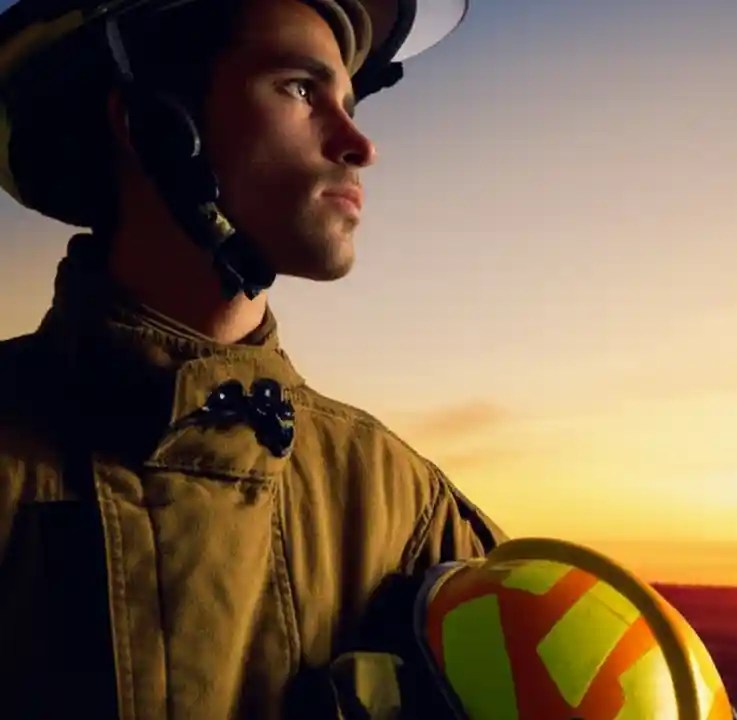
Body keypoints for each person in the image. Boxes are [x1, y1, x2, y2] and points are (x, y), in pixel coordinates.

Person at [0, 0, 508, 717]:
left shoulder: (402, 505)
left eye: (350, 101)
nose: (360, 145)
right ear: (149, 123)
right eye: (301, 88)